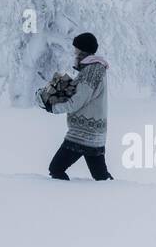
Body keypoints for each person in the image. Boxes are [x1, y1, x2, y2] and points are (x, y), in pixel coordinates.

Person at [40, 32, 112, 180]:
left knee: (56, 169)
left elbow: (76, 102)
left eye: (76, 50)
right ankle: (118, 196)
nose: (74, 52)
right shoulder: (93, 69)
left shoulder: (91, 71)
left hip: (82, 133)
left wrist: (52, 108)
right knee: (101, 177)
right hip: (93, 132)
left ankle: (68, 199)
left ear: (82, 50)